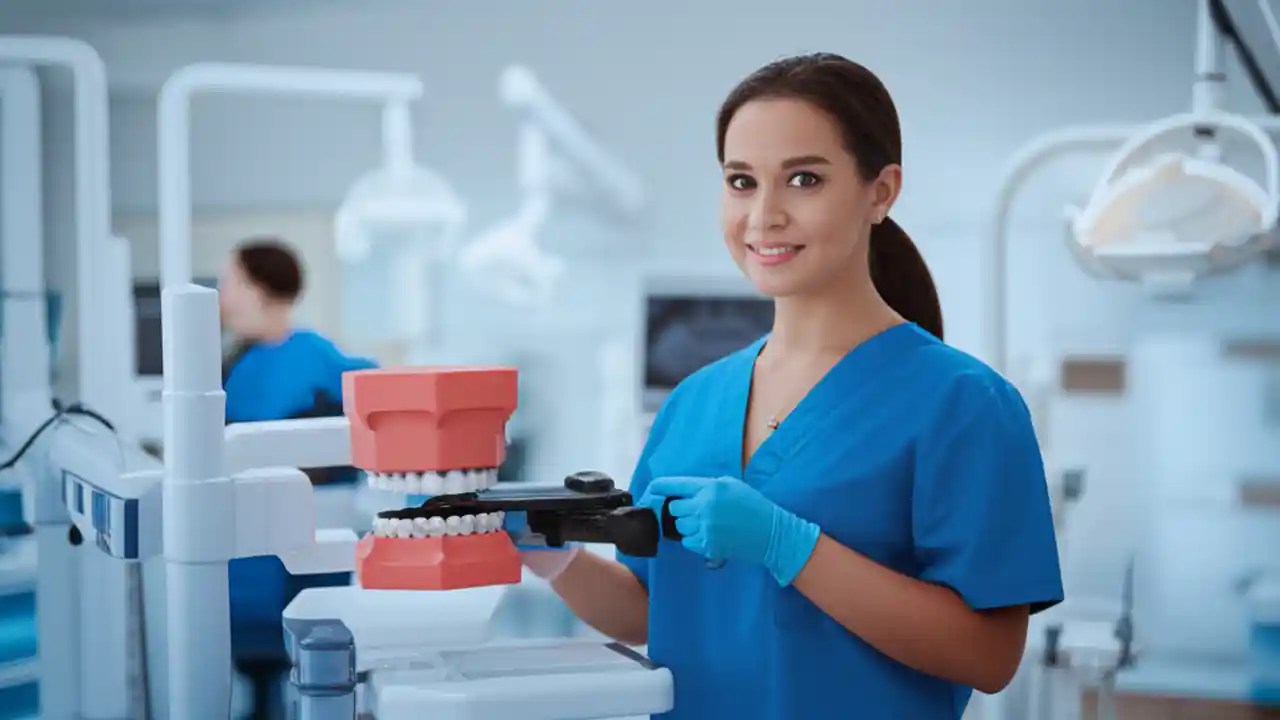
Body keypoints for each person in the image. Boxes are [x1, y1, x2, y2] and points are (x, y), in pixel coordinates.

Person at [519, 53, 1064, 719]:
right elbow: (651, 609)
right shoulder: (695, 401)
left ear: (881, 191)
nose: (764, 215)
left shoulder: (963, 404)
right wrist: (555, 559)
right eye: (742, 182)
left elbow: (989, 655)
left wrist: (791, 546)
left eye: (803, 179)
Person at [217, 237, 377, 719]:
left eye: (230, 281)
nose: (222, 294)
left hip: (300, 554)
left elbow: (374, 406)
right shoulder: (236, 361)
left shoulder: (313, 357)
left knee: (308, 666)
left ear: (259, 288)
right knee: (256, 673)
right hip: (246, 554)